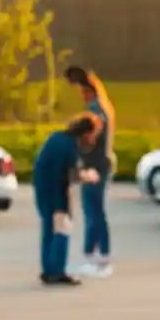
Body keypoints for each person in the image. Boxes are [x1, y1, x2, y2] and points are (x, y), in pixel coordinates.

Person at [34, 112, 103, 286]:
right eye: (93, 135)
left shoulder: (57, 138)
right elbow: (73, 174)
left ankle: (48, 270)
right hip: (56, 191)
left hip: (43, 187)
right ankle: (56, 271)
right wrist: (89, 176)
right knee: (61, 229)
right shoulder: (71, 146)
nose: (93, 140)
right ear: (86, 133)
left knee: (49, 230)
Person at [65, 65, 117, 278]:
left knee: (94, 212)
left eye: (83, 91)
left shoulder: (97, 109)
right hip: (99, 163)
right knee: (94, 211)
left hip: (95, 165)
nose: (81, 96)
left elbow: (91, 136)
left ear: (89, 90)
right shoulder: (103, 106)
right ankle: (94, 256)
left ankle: (100, 257)